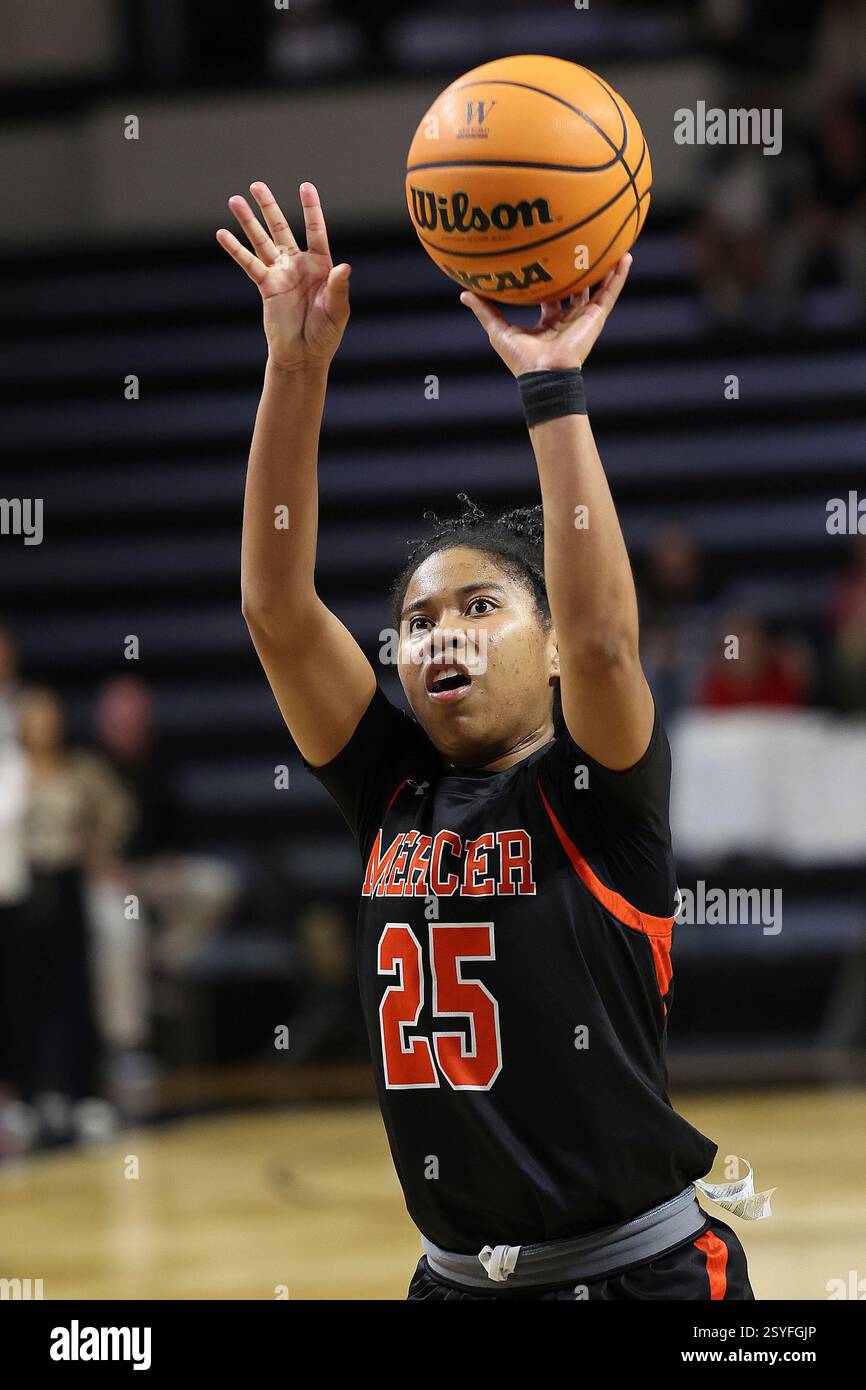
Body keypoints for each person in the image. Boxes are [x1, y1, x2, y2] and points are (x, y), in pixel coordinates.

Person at [217, 181, 766, 1299]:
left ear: (551, 649)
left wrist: (549, 384)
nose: (439, 637)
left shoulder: (594, 788)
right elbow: (275, 603)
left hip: (641, 1275)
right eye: (416, 621)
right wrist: (296, 363)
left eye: (478, 608)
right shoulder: (390, 787)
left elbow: (611, 646)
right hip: (454, 1281)